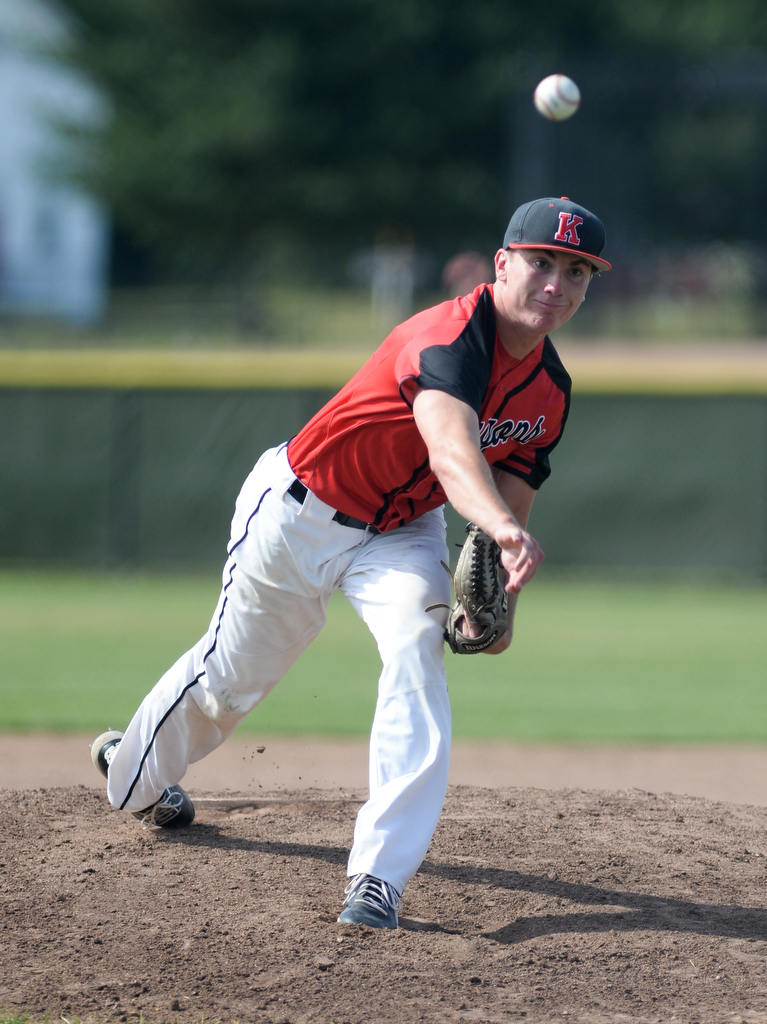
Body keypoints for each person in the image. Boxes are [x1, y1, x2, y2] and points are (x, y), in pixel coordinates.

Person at [91, 196, 610, 929]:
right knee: (228, 684)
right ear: (502, 264)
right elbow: (452, 450)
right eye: (540, 262)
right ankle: (132, 775)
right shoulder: (445, 336)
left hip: (403, 531)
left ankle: (378, 881)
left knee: (414, 653)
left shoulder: (548, 392)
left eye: (577, 271)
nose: (555, 283)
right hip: (301, 513)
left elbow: (509, 515)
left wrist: (498, 612)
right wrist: (492, 520)